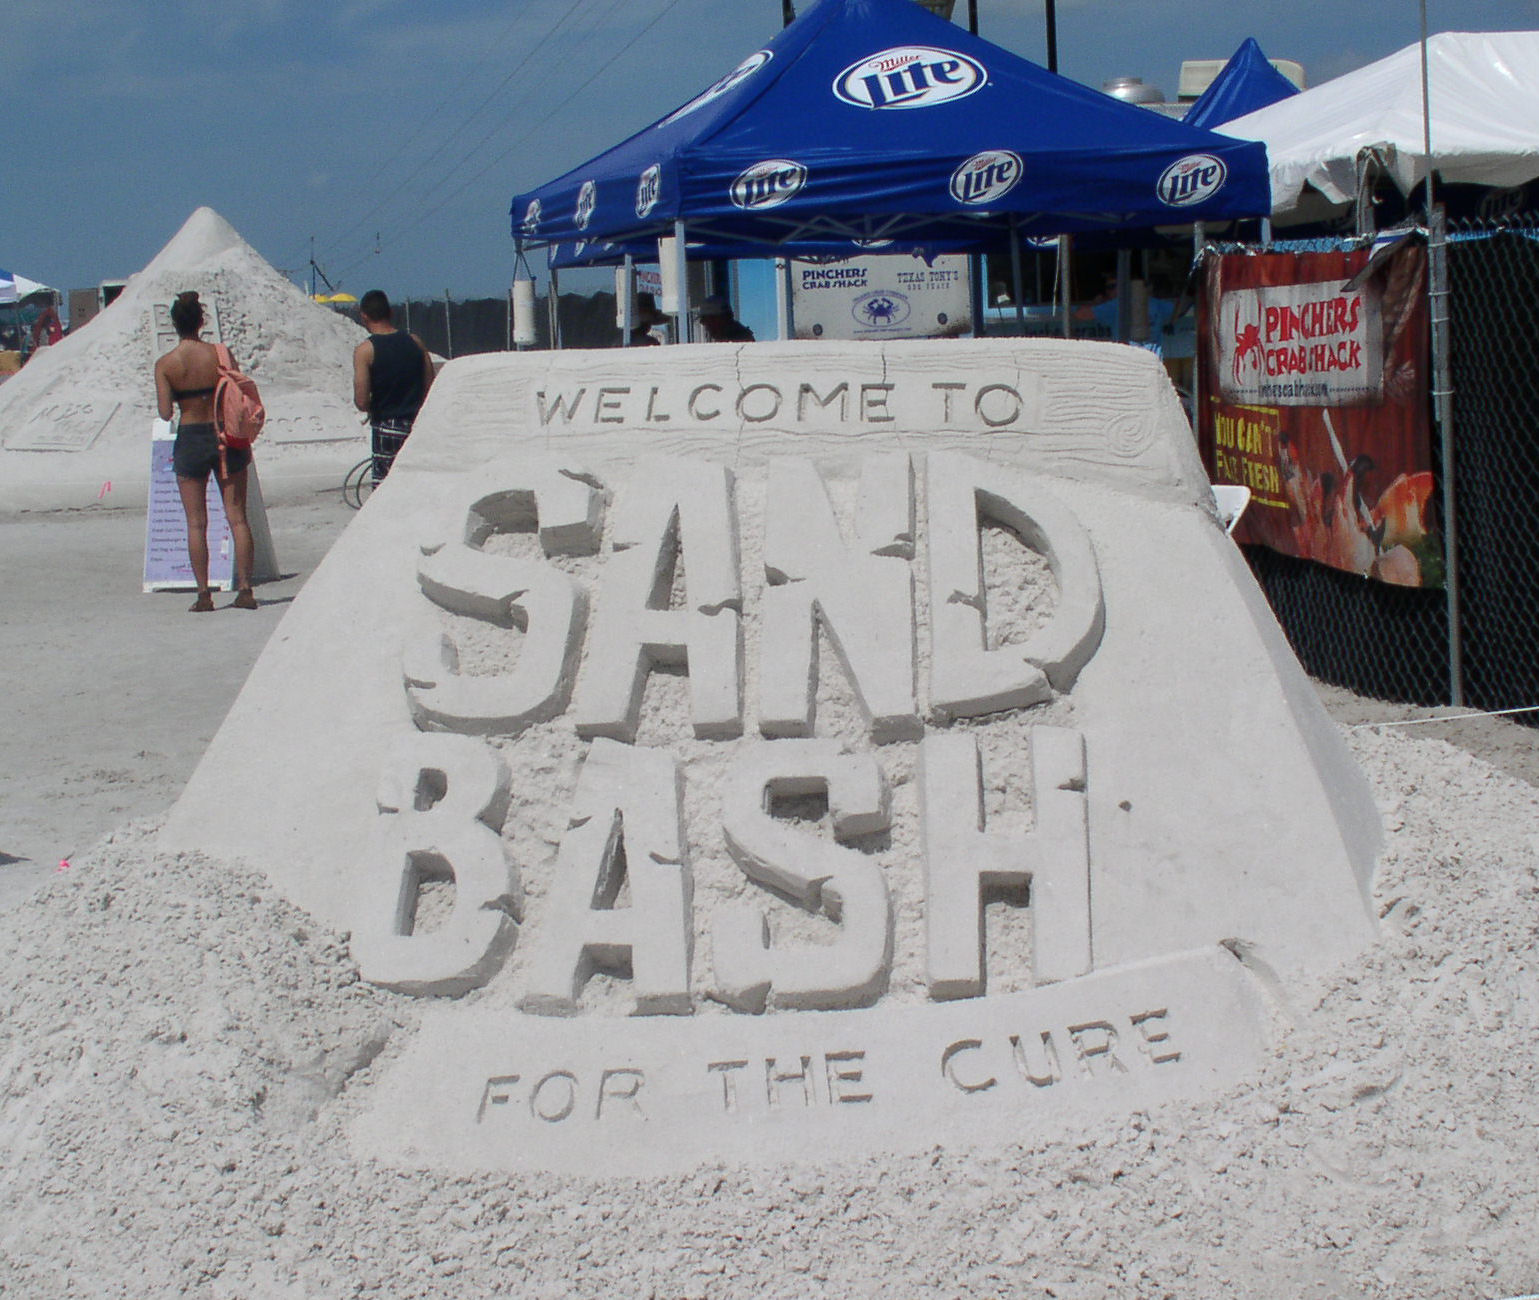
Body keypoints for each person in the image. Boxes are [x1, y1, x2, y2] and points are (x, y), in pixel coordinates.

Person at [153, 291, 257, 613]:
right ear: (201, 321)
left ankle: (203, 594)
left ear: (174, 324)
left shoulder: (166, 364)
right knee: (237, 517)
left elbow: (165, 413)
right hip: (225, 434)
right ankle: (245, 589)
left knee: (196, 522)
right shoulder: (220, 354)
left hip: (191, 435)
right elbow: (238, 391)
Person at [352, 290, 433, 484]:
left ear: (364, 316)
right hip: (417, 425)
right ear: (390, 312)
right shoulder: (415, 342)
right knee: (416, 484)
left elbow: (362, 400)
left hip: (387, 428)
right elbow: (431, 385)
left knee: (386, 488)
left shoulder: (365, 351)